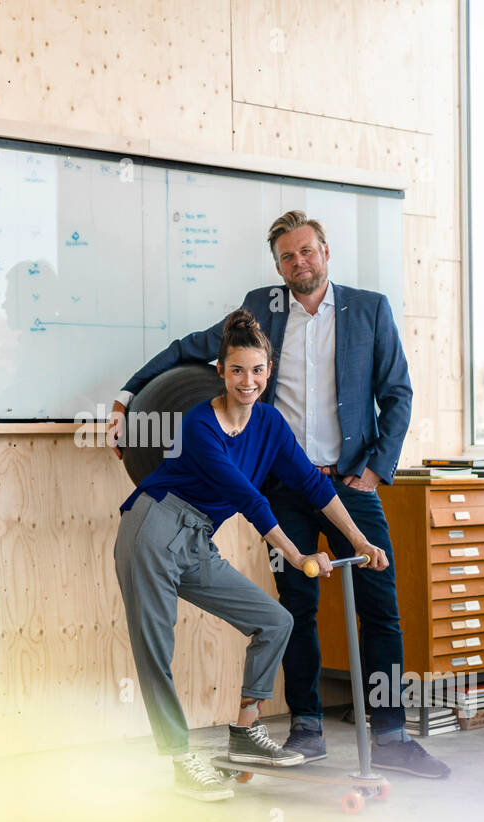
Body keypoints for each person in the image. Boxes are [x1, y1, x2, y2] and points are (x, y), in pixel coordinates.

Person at [110, 210, 450, 779]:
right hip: (280, 490)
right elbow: (186, 349)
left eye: (308, 251)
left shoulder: (369, 310)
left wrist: (376, 469)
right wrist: (126, 398)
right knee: (296, 607)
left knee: (381, 608)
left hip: (346, 481)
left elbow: (398, 393)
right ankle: (307, 726)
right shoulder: (260, 312)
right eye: (288, 256)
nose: (300, 262)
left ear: (326, 251)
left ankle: (390, 733)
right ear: (277, 264)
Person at [114, 309, 388, 802]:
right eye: (237, 370)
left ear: (268, 371)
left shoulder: (270, 423)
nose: (249, 381)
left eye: (258, 370)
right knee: (157, 649)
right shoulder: (200, 423)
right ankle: (179, 761)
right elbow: (248, 498)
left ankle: (245, 730)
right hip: (153, 527)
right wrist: (300, 554)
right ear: (220, 370)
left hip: (196, 539)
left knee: (276, 621)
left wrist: (360, 541)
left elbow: (311, 484)